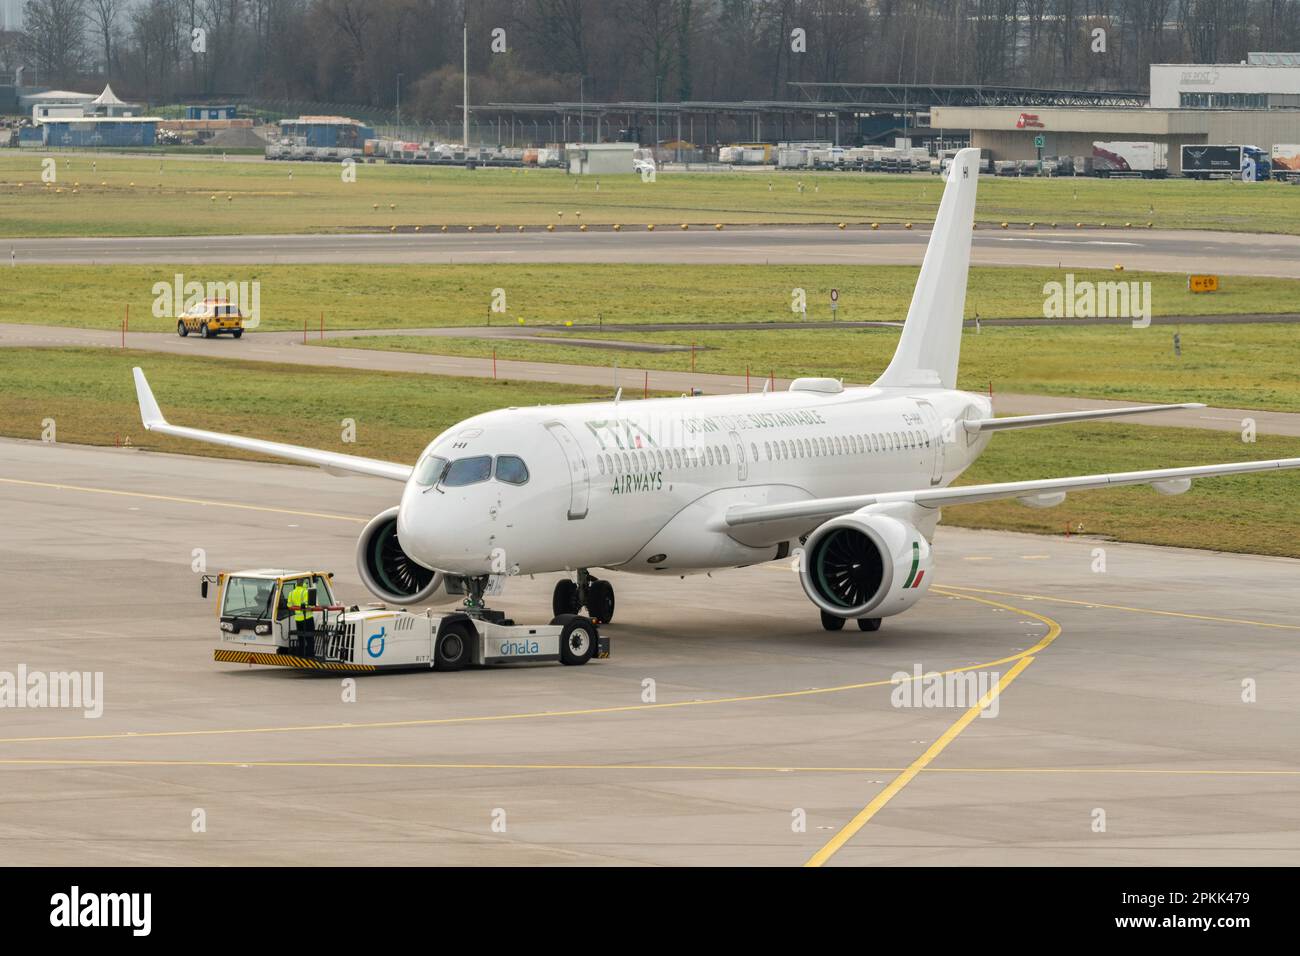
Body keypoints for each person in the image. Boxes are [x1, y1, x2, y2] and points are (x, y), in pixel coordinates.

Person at [286, 578, 315, 654]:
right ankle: (310, 655)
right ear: (303, 583)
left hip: (298, 619)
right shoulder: (305, 592)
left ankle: (301, 654)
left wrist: (297, 607)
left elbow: (289, 605)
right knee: (310, 638)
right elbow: (308, 605)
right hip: (307, 618)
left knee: (301, 638)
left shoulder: (291, 593)